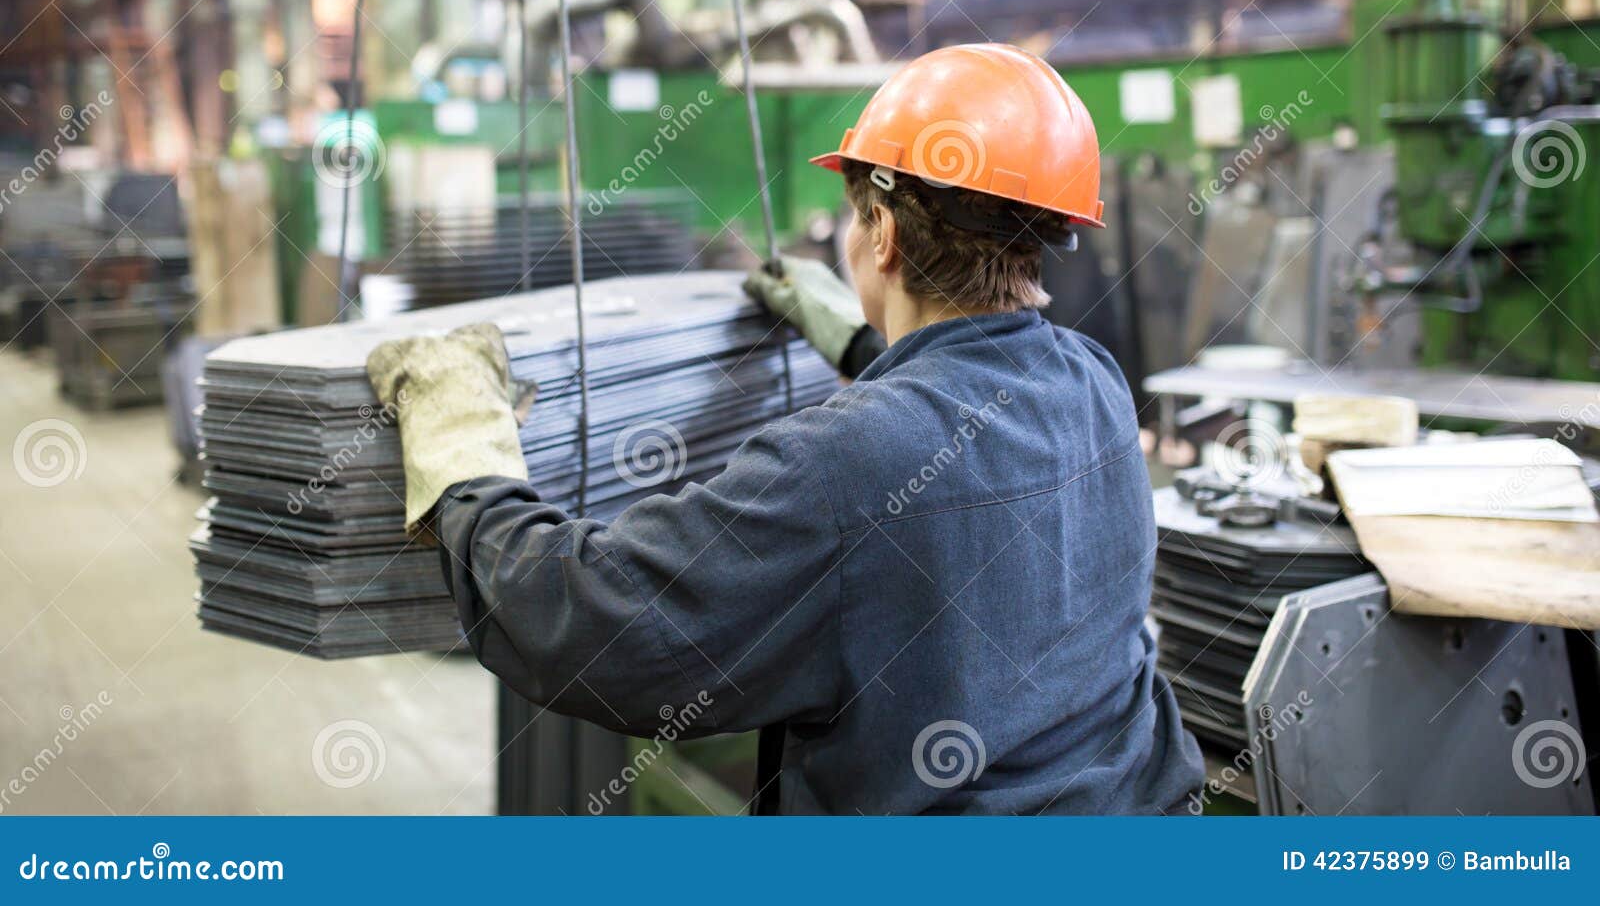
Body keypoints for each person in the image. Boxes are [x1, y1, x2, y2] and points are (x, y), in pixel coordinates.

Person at [367, 43, 1203, 814]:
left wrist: (465, 460)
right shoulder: (1094, 379)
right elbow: (969, 416)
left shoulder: (843, 463)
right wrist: (864, 344)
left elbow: (593, 620)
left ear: (883, 236)